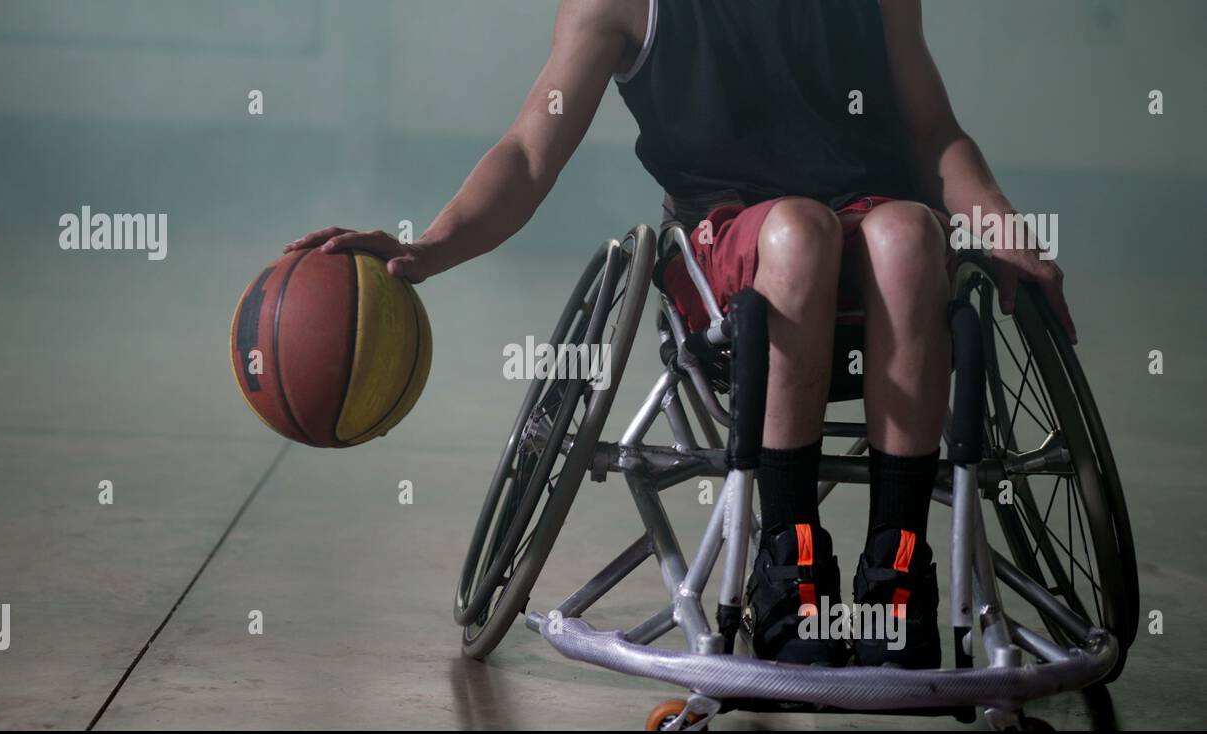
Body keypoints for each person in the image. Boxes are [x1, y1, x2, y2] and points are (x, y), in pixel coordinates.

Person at [283, 0, 1076, 668]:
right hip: (726, 247)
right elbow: (528, 153)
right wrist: (431, 245)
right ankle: (789, 562)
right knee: (799, 231)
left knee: (910, 236)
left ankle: (897, 572)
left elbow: (936, 132)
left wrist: (1004, 225)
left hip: (871, 236)